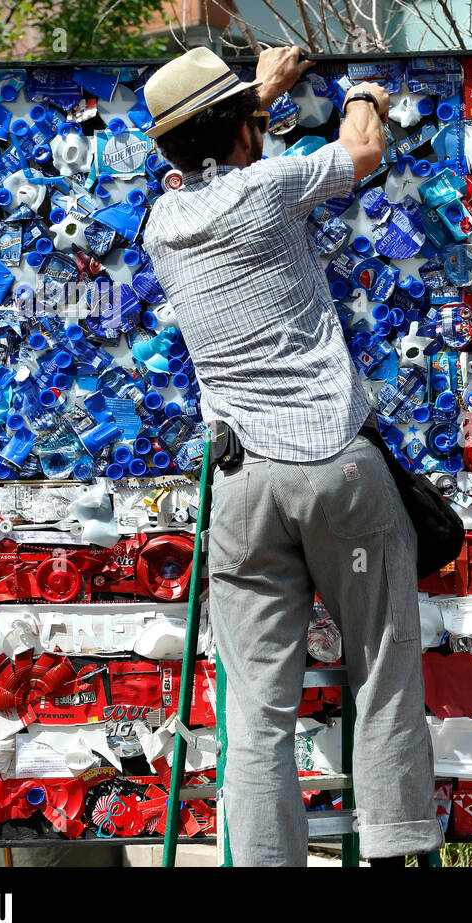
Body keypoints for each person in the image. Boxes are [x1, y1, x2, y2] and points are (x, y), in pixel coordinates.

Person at [141, 46, 443, 867]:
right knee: (380, 666)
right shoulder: (269, 190)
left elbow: (193, 160)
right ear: (245, 134)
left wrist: (251, 99)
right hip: (333, 468)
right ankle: (393, 846)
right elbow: (362, 152)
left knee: (255, 714)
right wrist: (367, 89)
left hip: (241, 488)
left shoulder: (161, 225)